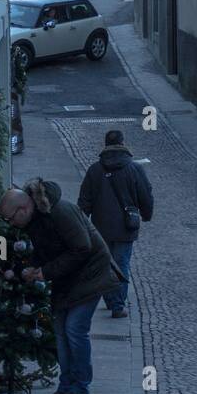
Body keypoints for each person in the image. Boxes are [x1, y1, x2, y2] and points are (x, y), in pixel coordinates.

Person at [0, 179, 122, 394]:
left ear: (24, 209)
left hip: (91, 276)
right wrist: (31, 268)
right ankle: (66, 388)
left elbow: (82, 248)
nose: (11, 224)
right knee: (61, 331)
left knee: (74, 329)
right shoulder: (34, 221)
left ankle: (80, 390)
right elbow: (48, 250)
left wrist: (44, 271)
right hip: (68, 278)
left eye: (11, 218)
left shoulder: (60, 211)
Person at [78, 129, 153, 318]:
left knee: (106, 264)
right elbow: (145, 195)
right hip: (126, 227)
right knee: (122, 264)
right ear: (123, 143)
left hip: (101, 226)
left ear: (105, 145)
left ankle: (111, 300)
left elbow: (85, 200)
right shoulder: (134, 169)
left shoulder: (95, 170)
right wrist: (147, 214)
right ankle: (118, 305)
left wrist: (81, 224)